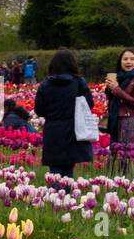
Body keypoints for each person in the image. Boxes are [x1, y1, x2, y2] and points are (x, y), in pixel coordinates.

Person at [37, 48, 94, 179]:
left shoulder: (45, 84)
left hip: (53, 130)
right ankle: (67, 197)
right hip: (73, 129)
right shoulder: (79, 82)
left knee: (55, 169)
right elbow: (89, 105)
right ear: (72, 64)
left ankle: (55, 196)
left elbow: (39, 110)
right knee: (68, 169)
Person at [104, 48, 134, 162]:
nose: (128, 62)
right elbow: (114, 99)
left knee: (132, 159)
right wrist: (109, 89)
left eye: (132, 59)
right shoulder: (120, 77)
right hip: (118, 122)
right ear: (120, 62)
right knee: (119, 159)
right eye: (125, 59)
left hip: (132, 123)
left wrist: (116, 89)